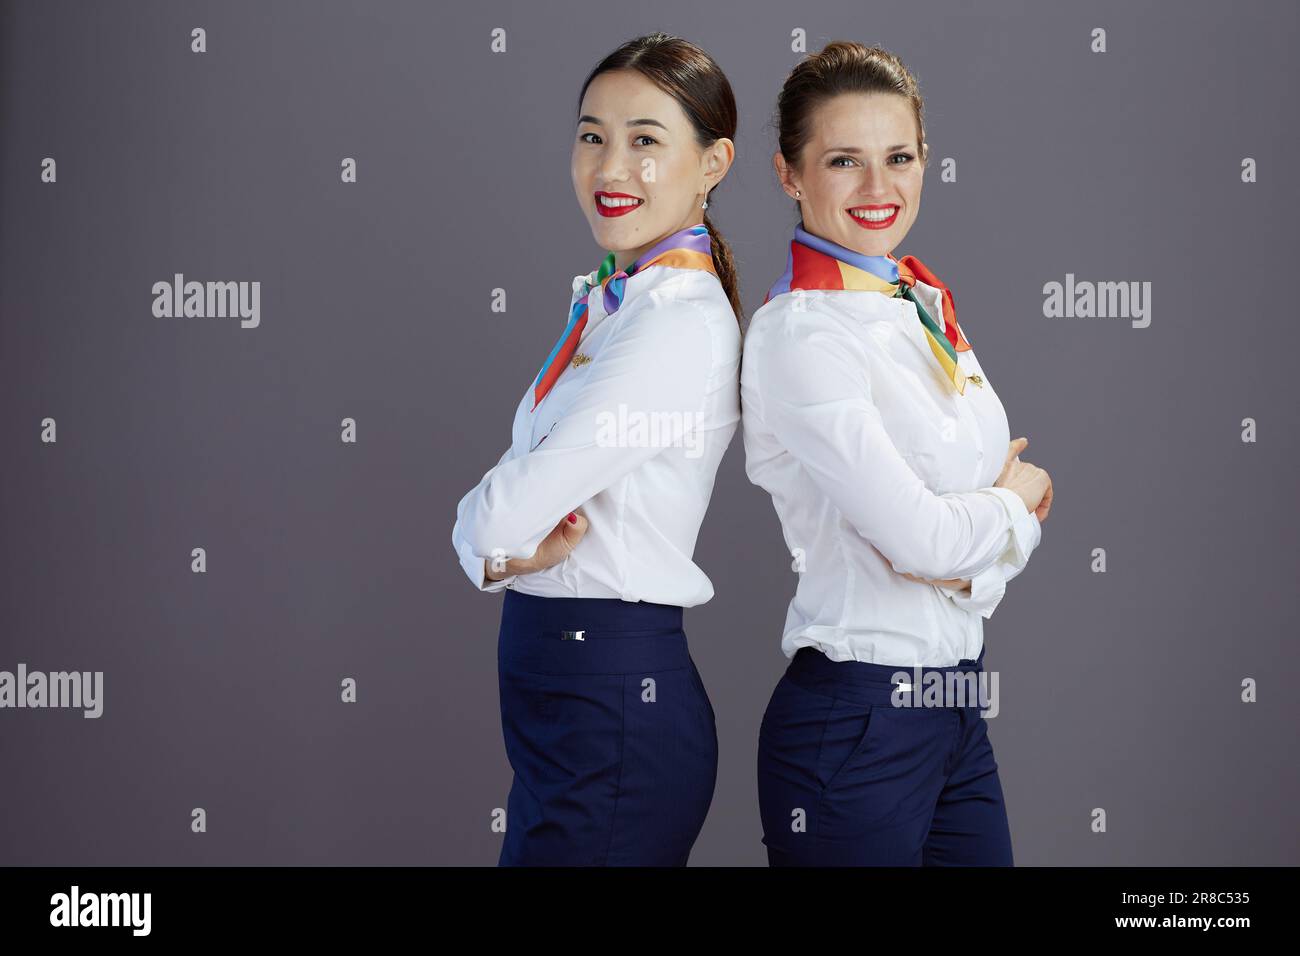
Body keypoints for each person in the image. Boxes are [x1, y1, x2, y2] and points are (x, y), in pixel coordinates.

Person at [742, 41, 1054, 866]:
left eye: (899, 158)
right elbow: (934, 535)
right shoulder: (800, 334)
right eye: (844, 161)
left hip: (956, 705)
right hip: (858, 722)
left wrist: (975, 552)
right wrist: (1012, 508)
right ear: (789, 174)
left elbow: (962, 559)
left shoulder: (917, 301)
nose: (879, 189)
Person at [451, 33, 741, 866]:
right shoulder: (619, 306)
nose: (612, 167)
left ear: (712, 162)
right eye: (592, 136)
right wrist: (498, 546)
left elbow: (508, 510)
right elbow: (510, 523)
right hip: (570, 696)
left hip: (611, 701)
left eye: (647, 141)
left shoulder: (675, 323)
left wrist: (485, 536)